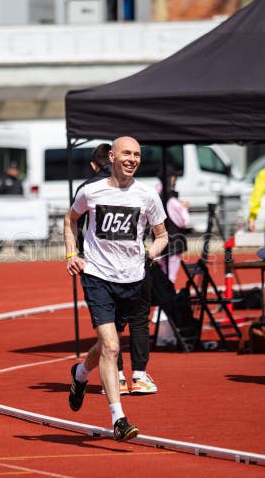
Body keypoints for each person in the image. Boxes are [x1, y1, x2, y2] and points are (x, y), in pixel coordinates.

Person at [64, 136, 168, 441]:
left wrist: (150, 252)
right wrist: (72, 254)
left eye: (137, 154)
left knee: (105, 345)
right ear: (112, 156)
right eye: (126, 153)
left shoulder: (147, 196)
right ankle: (118, 419)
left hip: (132, 280)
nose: (132, 159)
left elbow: (162, 235)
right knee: (111, 346)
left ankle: (80, 374)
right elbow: (70, 220)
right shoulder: (90, 191)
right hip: (97, 276)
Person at [158, 170, 189, 284]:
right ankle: (167, 300)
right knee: (170, 276)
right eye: (173, 177)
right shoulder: (171, 199)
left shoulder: (158, 194)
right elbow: (184, 221)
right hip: (173, 240)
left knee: (163, 272)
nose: (175, 180)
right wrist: (183, 208)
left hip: (162, 241)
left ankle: (164, 299)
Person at [0, 161, 25, 252]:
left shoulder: (18, 181)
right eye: (13, 169)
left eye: (16, 170)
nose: (15, 171)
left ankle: (19, 245)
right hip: (5, 209)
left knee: (18, 227)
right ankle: (0, 244)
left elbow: (21, 194)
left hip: (16, 209)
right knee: (3, 226)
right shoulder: (3, 180)